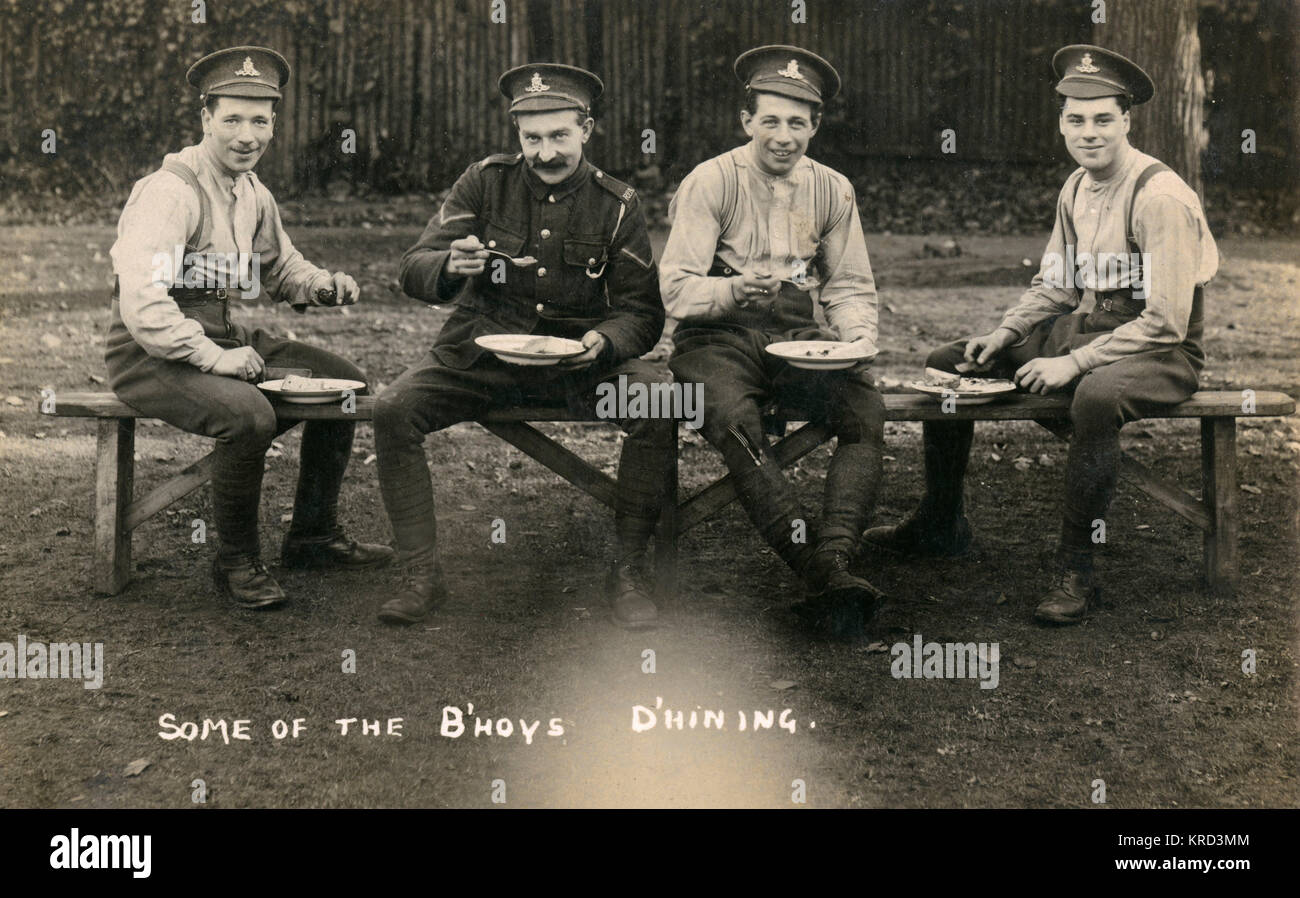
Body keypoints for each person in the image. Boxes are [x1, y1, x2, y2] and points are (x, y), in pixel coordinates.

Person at [865, 45, 1219, 625]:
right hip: (1091, 332)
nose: (1090, 133)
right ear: (1061, 123)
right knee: (950, 362)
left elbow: (1166, 322)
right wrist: (1006, 333)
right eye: (1076, 120)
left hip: (1162, 352)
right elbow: (1056, 286)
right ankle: (940, 521)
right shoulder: (1076, 187)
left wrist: (1073, 364)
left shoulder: (1160, 197)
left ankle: (1075, 566)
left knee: (1096, 397)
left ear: (1127, 121)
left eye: (1104, 119)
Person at [375, 64, 673, 629]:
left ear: (588, 129)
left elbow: (642, 312)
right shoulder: (484, 182)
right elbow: (411, 269)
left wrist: (603, 341)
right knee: (393, 408)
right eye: (531, 138)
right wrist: (447, 264)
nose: (544, 152)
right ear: (517, 134)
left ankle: (629, 571)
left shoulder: (617, 204)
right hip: (480, 356)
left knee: (658, 405)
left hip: (577, 364)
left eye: (559, 136)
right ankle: (420, 576)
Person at [106, 46, 393, 610]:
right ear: (205, 118)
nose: (246, 135)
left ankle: (313, 536)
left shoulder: (252, 192)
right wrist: (215, 360)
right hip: (149, 354)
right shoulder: (171, 192)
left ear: (274, 124)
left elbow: (280, 268)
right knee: (249, 415)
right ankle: (235, 561)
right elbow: (143, 303)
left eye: (259, 120)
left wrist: (322, 285)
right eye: (232, 119)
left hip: (221, 338)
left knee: (347, 385)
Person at [660, 45, 887, 637]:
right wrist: (732, 294)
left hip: (795, 335)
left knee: (863, 405)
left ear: (815, 126)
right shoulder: (711, 181)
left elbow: (850, 285)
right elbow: (677, 291)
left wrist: (858, 339)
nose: (782, 137)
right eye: (769, 121)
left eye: (797, 123)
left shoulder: (834, 189)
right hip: (716, 337)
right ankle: (811, 566)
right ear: (746, 121)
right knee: (738, 421)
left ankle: (835, 558)